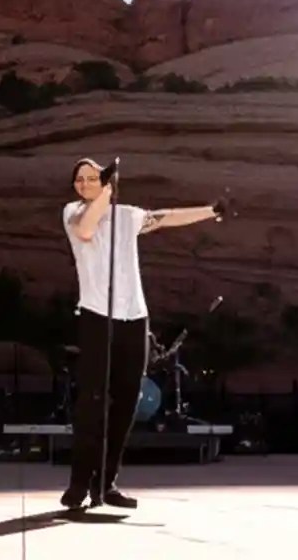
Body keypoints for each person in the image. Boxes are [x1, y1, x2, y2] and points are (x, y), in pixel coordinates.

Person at [60, 157, 229, 509]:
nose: (85, 184)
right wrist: (104, 191)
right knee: (92, 402)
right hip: (96, 316)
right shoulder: (74, 212)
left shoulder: (128, 216)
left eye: (93, 178)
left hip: (134, 318)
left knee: (125, 405)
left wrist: (210, 210)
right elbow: (87, 230)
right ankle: (79, 483)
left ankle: (106, 484)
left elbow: (165, 217)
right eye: (81, 179)